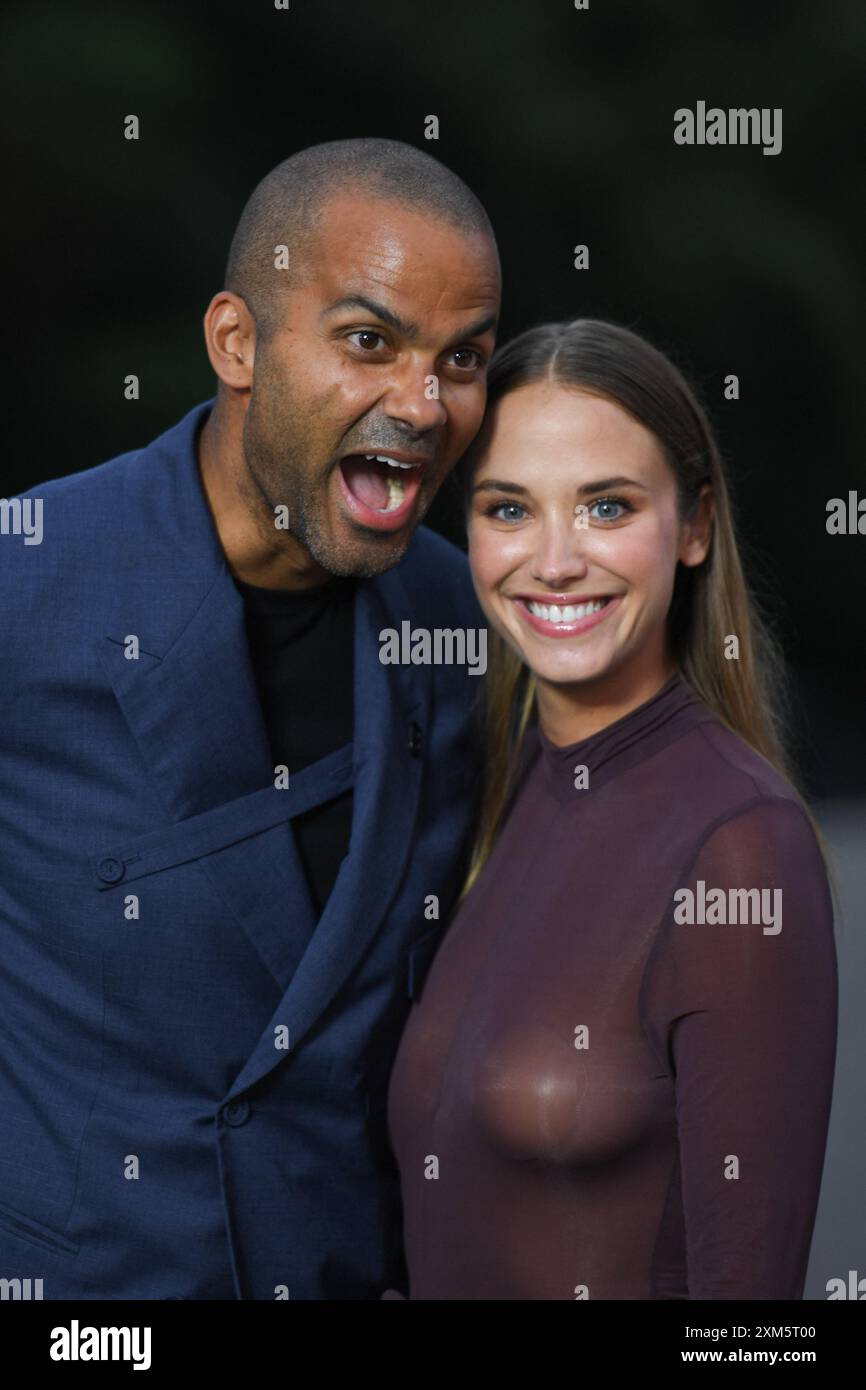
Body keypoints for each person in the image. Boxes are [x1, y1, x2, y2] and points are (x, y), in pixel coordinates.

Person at [0, 138, 500, 1299]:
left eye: (461, 358)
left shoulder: (467, 624)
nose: (422, 406)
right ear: (238, 341)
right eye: (369, 341)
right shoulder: (28, 584)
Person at [385, 318, 838, 1300]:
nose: (552, 561)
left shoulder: (739, 847)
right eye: (507, 509)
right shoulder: (491, 793)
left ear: (693, 526)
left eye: (603, 506)